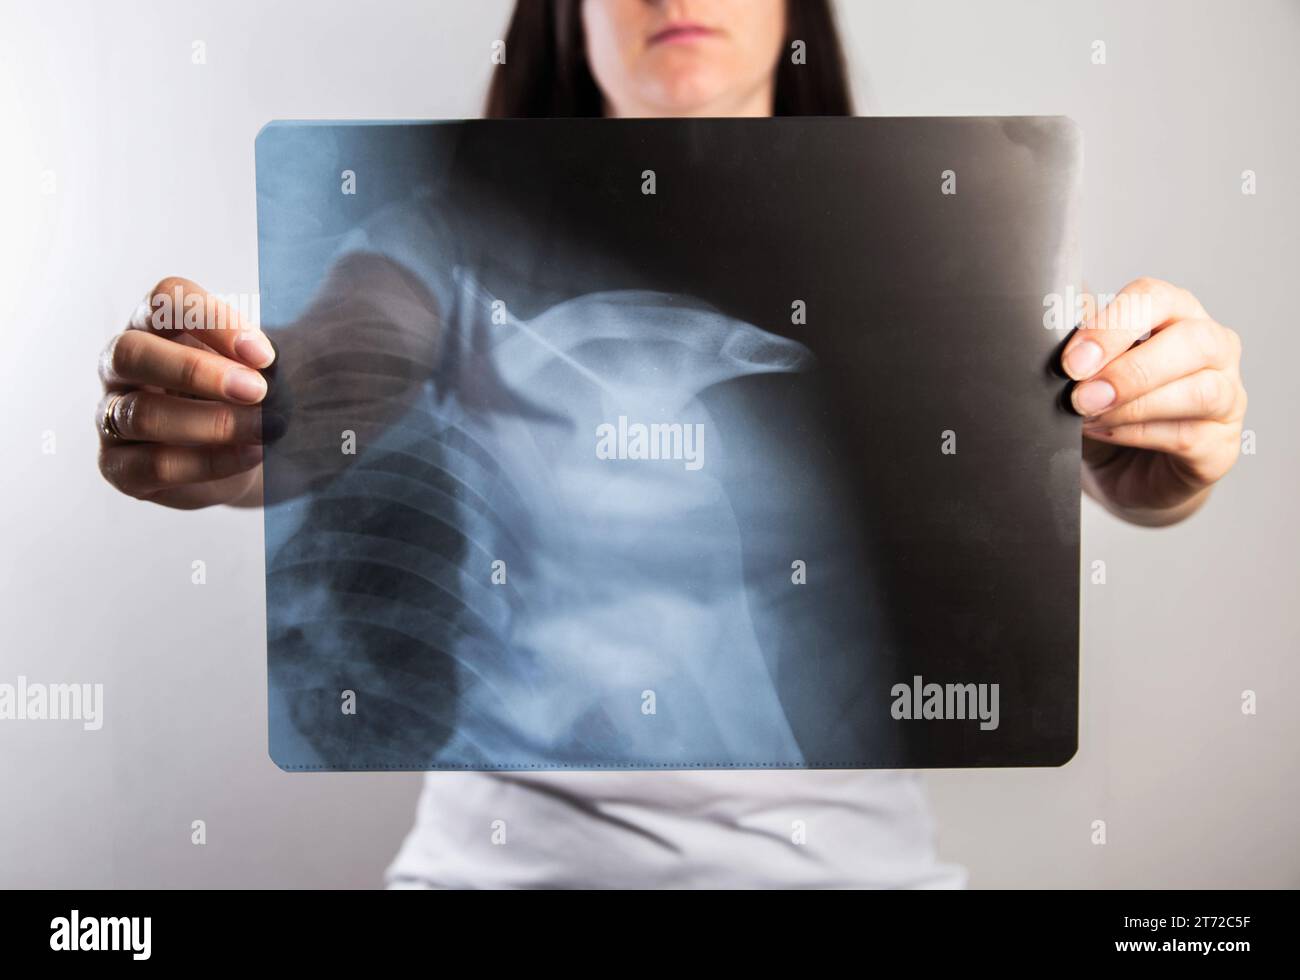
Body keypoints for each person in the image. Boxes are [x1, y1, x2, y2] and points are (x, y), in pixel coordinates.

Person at [95, 0, 1247, 887]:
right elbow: (328, 393)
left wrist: (1156, 452)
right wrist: (229, 424)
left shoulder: (941, 240)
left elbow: (1082, 448)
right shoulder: (436, 243)